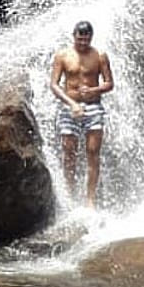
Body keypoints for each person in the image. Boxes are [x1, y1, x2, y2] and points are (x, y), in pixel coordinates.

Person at [48, 20, 114, 208]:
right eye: (80, 39)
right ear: (74, 36)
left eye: (86, 39)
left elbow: (109, 83)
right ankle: (69, 195)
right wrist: (72, 103)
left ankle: (90, 200)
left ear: (91, 37)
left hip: (93, 107)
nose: (83, 43)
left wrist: (94, 90)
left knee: (93, 152)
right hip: (69, 108)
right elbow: (54, 84)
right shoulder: (63, 56)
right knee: (69, 152)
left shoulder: (100, 56)